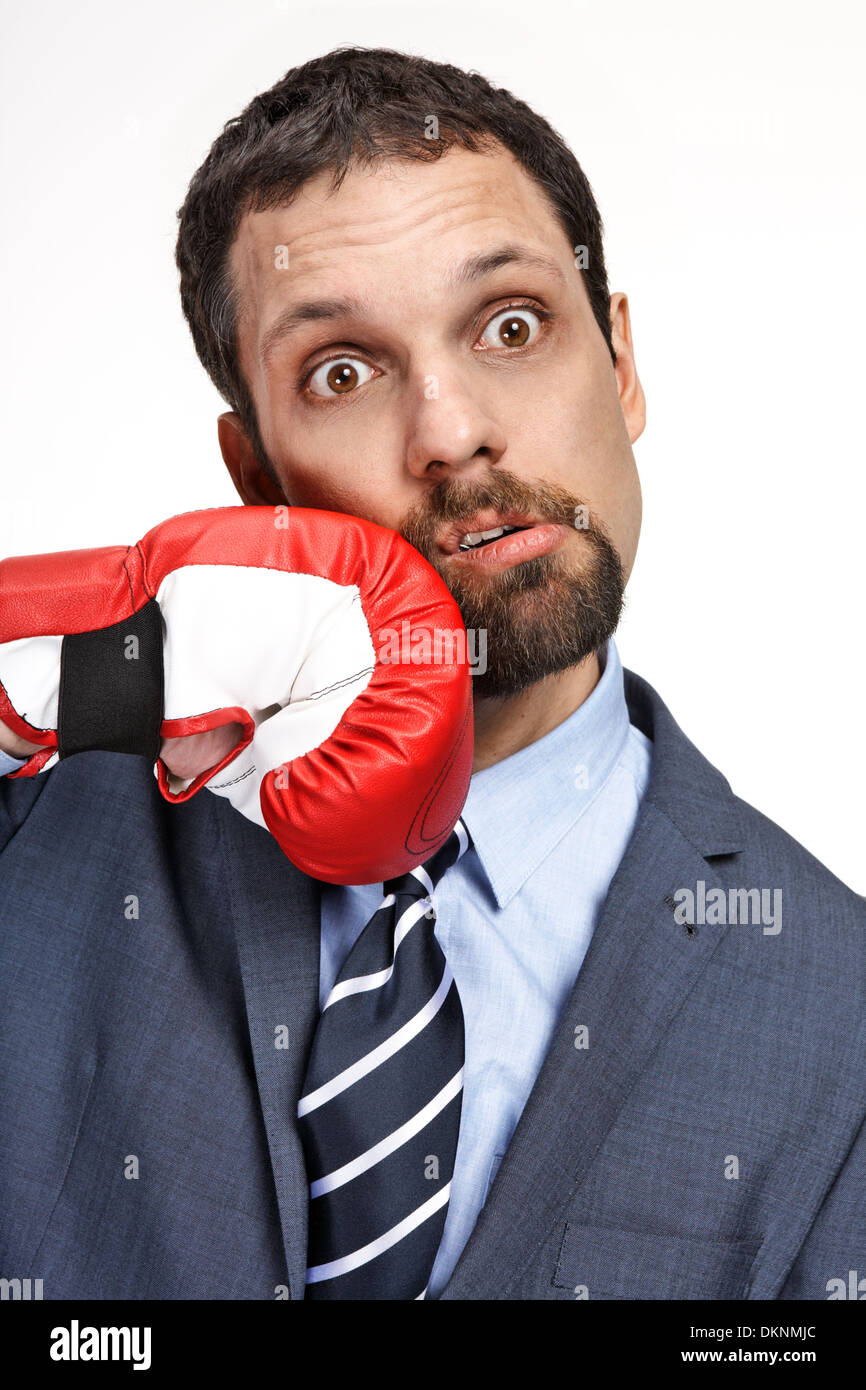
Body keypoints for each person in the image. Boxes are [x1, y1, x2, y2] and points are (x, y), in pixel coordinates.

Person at [1, 46, 863, 1301]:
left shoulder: (832, 1003)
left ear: (618, 365)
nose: (450, 431)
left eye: (510, 325)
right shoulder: (47, 819)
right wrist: (74, 678)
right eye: (341, 372)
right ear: (255, 479)